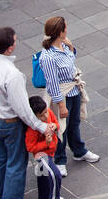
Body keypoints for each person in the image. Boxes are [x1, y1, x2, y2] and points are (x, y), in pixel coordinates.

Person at [0, 26, 56, 199]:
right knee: (16, 164)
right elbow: (22, 110)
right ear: (10, 48)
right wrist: (42, 126)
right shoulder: (12, 74)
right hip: (9, 123)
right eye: (15, 40)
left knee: (1, 158)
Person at [38, 16, 99, 176]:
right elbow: (52, 83)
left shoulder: (64, 46)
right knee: (60, 128)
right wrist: (61, 105)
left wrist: (71, 47)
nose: (67, 29)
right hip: (62, 95)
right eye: (65, 27)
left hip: (73, 91)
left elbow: (71, 62)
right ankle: (59, 160)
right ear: (59, 31)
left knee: (74, 123)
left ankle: (79, 150)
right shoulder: (48, 57)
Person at [26, 95, 63, 199]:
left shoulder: (49, 113)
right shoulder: (32, 129)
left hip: (51, 150)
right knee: (55, 174)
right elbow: (30, 147)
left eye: (46, 112)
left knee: (43, 175)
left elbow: (56, 123)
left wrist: (54, 126)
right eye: (41, 115)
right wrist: (46, 143)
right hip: (42, 154)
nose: (45, 116)